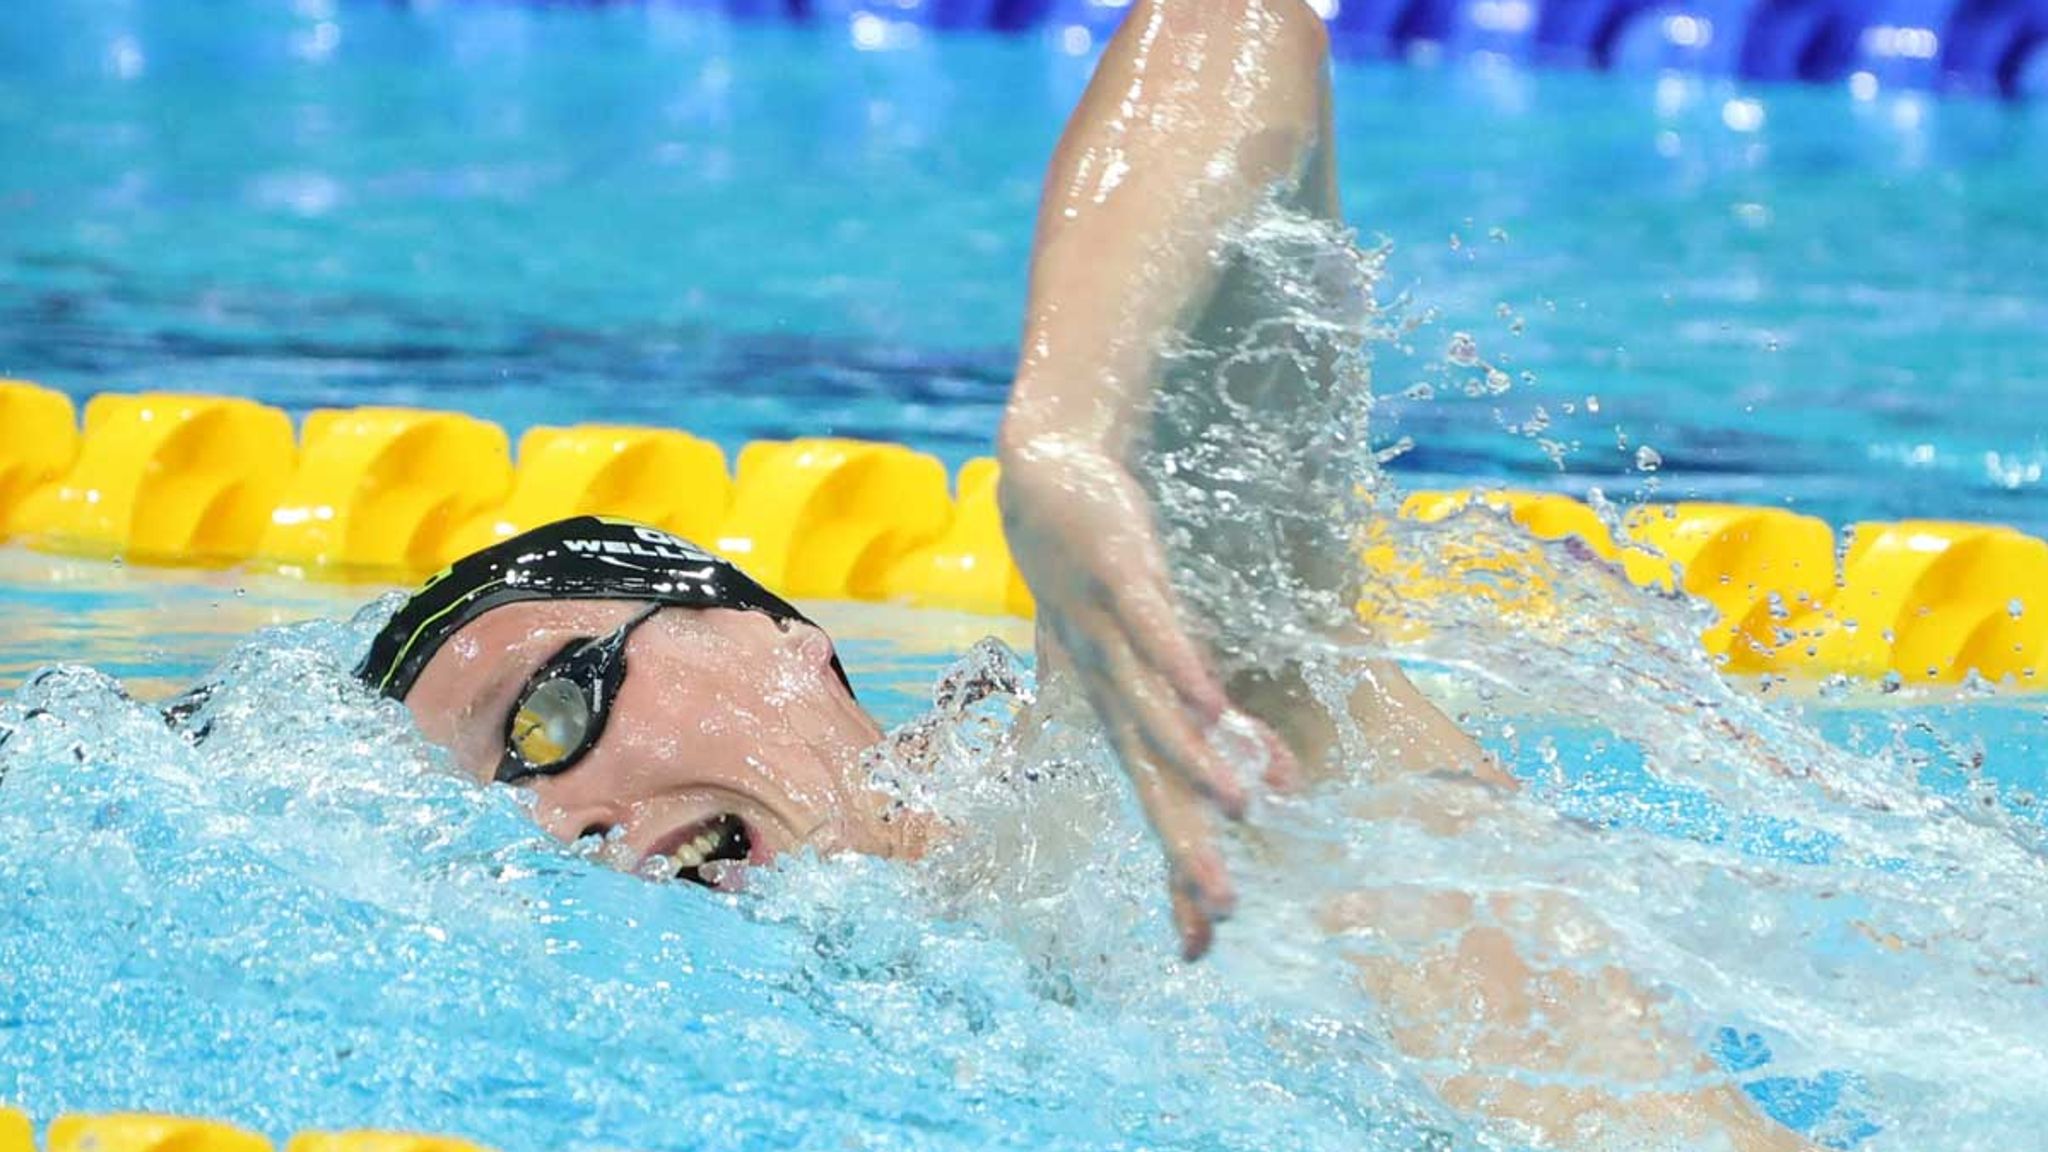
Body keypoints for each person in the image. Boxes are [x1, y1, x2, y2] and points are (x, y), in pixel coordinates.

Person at [356, 2, 1812, 1147]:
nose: (562, 822)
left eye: (545, 718)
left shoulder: (1130, 757)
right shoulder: (891, 1027)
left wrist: (1067, 433)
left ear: (776, 636)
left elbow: (1241, 27)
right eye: (500, 811)